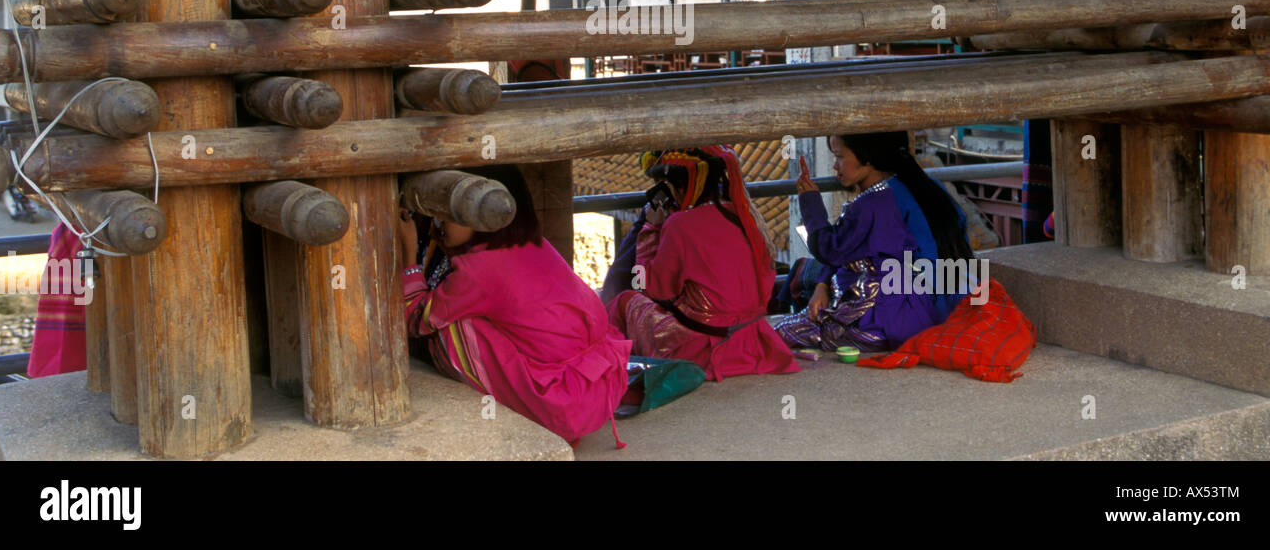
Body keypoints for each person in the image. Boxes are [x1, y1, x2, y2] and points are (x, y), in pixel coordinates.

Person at [398, 164, 631, 447]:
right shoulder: (536, 245)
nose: (437, 222)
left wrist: (408, 255)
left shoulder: (478, 271)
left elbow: (415, 320)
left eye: (448, 214)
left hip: (561, 406)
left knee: (453, 324)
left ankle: (538, 414)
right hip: (602, 388)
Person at [606, 146, 798, 380]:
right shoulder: (745, 217)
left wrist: (650, 229)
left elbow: (650, 286)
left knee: (624, 301)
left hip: (702, 346)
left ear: (680, 187)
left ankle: (611, 372)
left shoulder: (679, 225)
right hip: (750, 338)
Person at [772, 132, 974, 353]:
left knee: (793, 298)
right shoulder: (927, 187)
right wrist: (822, 285)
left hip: (907, 311)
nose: (835, 166)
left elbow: (829, 248)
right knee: (813, 276)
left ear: (866, 157)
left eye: (839, 156)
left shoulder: (875, 202)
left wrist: (809, 199)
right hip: (949, 301)